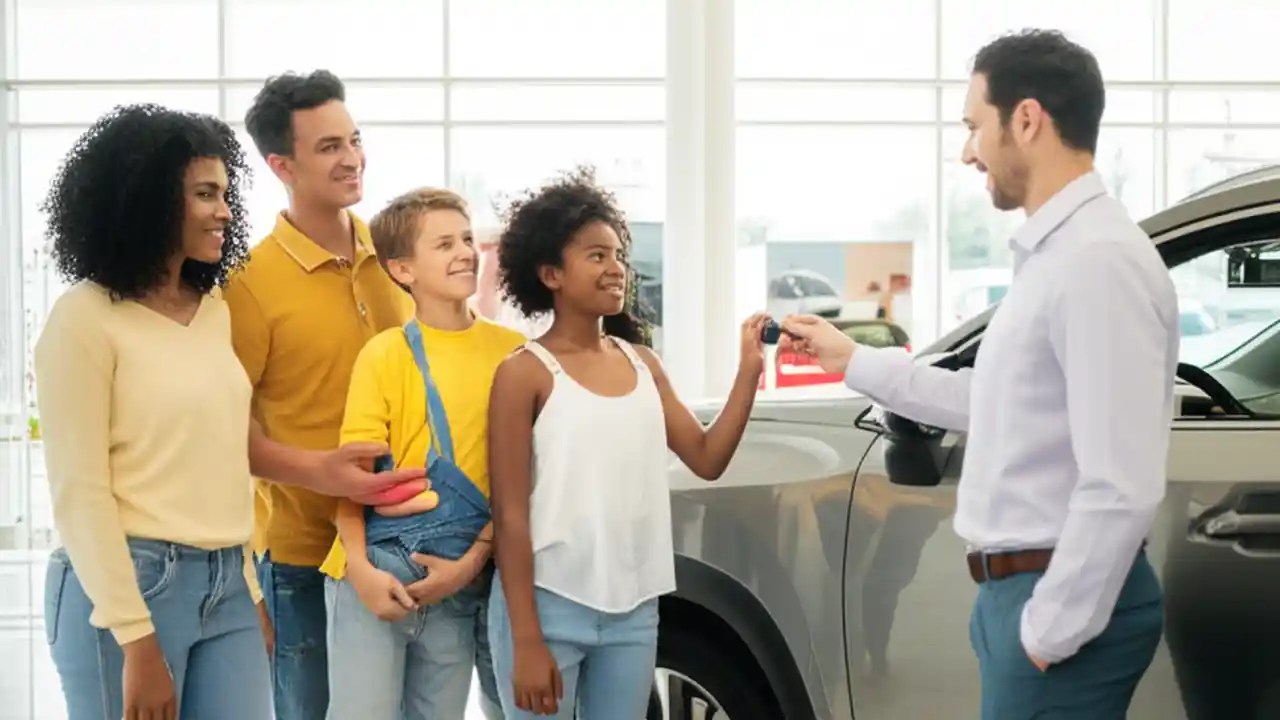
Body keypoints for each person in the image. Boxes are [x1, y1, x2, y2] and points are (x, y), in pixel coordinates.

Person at [781, 30, 1178, 720]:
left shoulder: (1096, 263)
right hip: (1024, 600)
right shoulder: (1061, 257)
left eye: (973, 127)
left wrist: (1047, 631)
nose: (968, 151)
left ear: (1026, 120)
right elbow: (998, 401)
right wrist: (854, 360)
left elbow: (1121, 480)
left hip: (1053, 606)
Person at [486, 167, 769, 718]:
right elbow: (510, 514)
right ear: (550, 273)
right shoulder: (524, 374)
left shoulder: (644, 364)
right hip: (545, 608)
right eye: (596, 255)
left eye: (618, 255)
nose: (616, 267)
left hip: (634, 612)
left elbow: (708, 459)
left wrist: (749, 372)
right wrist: (525, 639)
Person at [33, 104, 273, 719]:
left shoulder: (214, 309)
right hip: (128, 587)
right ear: (148, 200)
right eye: (204, 193)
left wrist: (247, 588)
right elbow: (79, 492)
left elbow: (222, 460)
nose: (224, 210)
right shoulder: (83, 319)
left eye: (225, 193)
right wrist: (134, 636)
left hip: (228, 581)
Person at [223, 69, 427, 720]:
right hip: (304, 559)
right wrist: (322, 472)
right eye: (329, 147)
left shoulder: (395, 257)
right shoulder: (250, 285)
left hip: (407, 541)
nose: (352, 159)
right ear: (280, 164)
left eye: (354, 139)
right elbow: (223, 432)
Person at [320, 187, 524, 719]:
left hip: (457, 583)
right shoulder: (383, 355)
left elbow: (523, 482)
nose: (463, 252)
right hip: (375, 571)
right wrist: (362, 572)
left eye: (465, 238)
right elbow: (353, 478)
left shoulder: (513, 354)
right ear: (402, 269)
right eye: (443, 244)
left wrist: (472, 563)